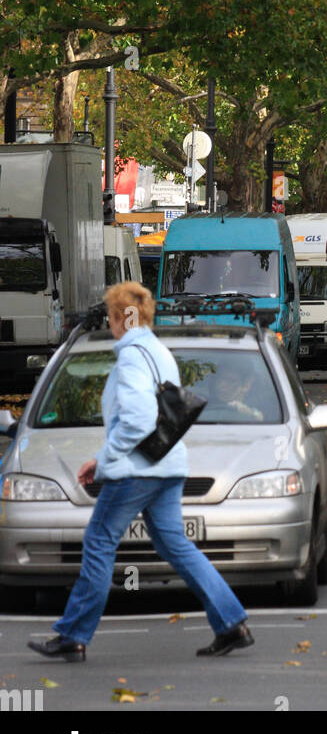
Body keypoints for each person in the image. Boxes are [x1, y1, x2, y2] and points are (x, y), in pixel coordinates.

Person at [27, 282, 253, 663]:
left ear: (120, 317)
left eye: (113, 315)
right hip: (167, 465)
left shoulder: (132, 357)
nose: (113, 323)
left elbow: (136, 420)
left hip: (136, 471)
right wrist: (101, 459)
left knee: (99, 541)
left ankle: (73, 634)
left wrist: (108, 458)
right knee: (174, 545)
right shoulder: (159, 353)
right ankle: (232, 623)